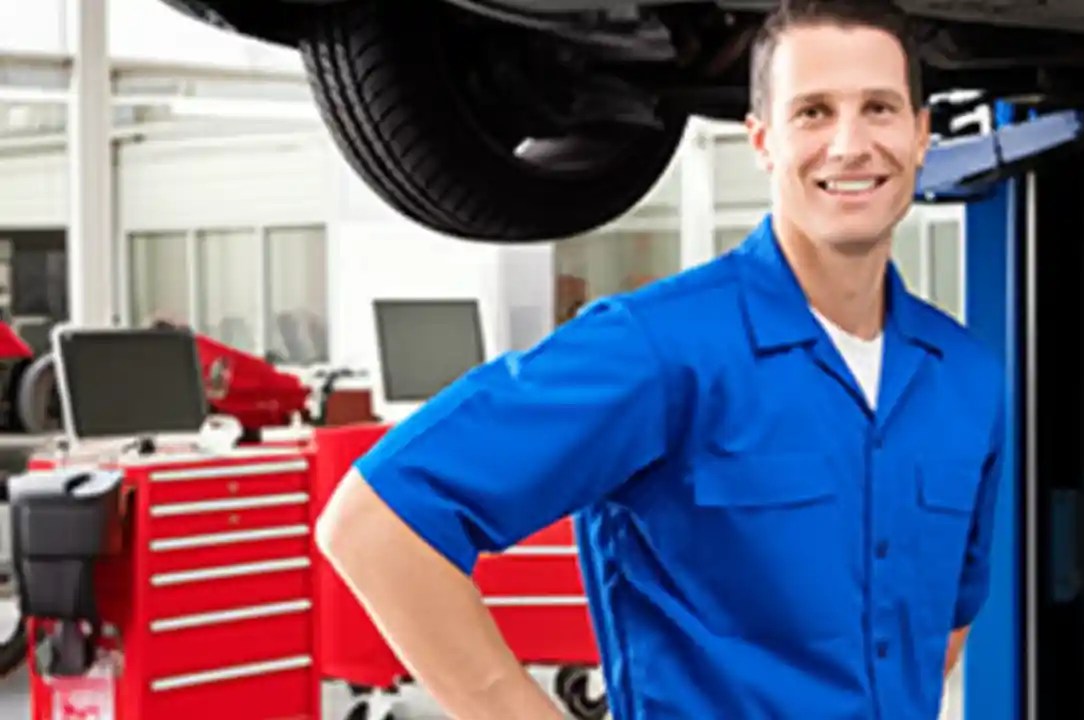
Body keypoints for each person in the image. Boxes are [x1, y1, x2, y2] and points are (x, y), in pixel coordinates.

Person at [316, 1, 1006, 718]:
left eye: (879, 109)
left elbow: (938, 631)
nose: (850, 145)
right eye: (813, 113)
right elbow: (376, 523)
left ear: (921, 135)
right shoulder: (657, 349)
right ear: (762, 140)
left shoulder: (965, 378)